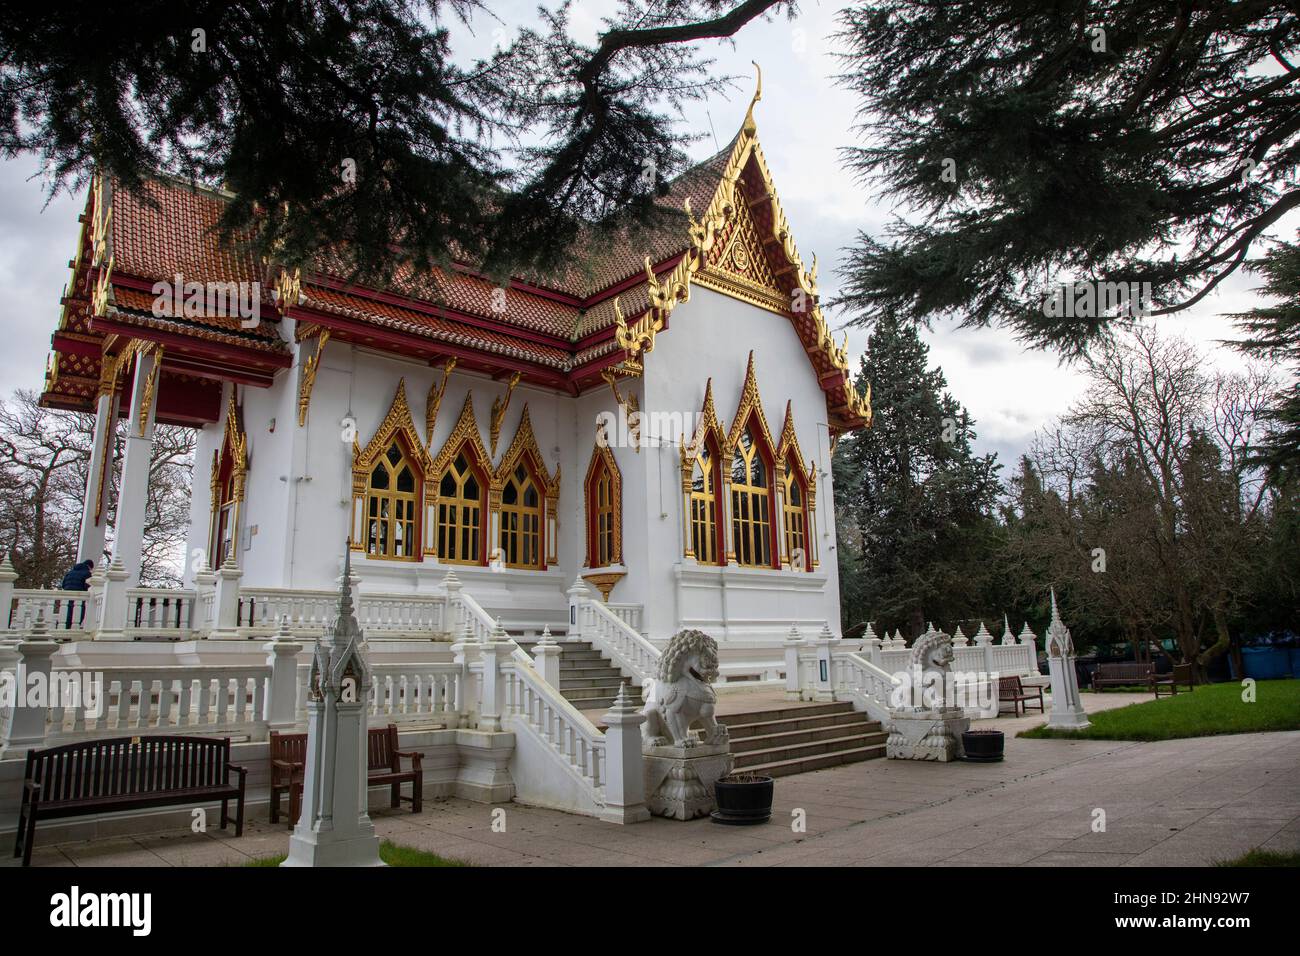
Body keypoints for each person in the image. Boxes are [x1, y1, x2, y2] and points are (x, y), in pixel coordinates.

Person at [58, 559, 93, 629]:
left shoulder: (70, 572)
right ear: (90, 567)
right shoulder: (87, 573)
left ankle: (62, 630)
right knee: (78, 614)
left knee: (66, 614)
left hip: (67, 597)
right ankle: (70, 632)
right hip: (79, 597)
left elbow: (63, 584)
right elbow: (88, 586)